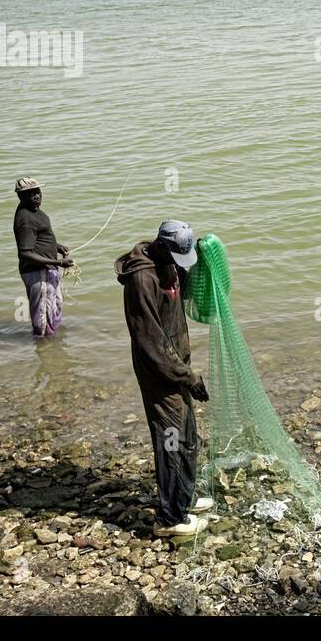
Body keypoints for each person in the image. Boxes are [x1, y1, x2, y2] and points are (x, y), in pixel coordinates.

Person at [115, 220, 212, 537]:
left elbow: (182, 284)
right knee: (171, 442)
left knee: (187, 434)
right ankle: (169, 519)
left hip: (176, 368)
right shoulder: (142, 280)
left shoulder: (166, 263)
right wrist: (188, 377)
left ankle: (184, 498)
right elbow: (151, 343)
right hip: (161, 373)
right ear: (161, 247)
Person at [13, 177, 72, 337]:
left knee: (55, 308)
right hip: (38, 273)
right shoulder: (25, 218)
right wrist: (58, 262)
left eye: (37, 191)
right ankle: (44, 350)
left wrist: (57, 247)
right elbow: (25, 253)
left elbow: (38, 239)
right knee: (43, 319)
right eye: (30, 193)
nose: (36, 195)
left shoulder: (35, 211)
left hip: (48, 270)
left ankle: (53, 350)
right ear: (20, 196)